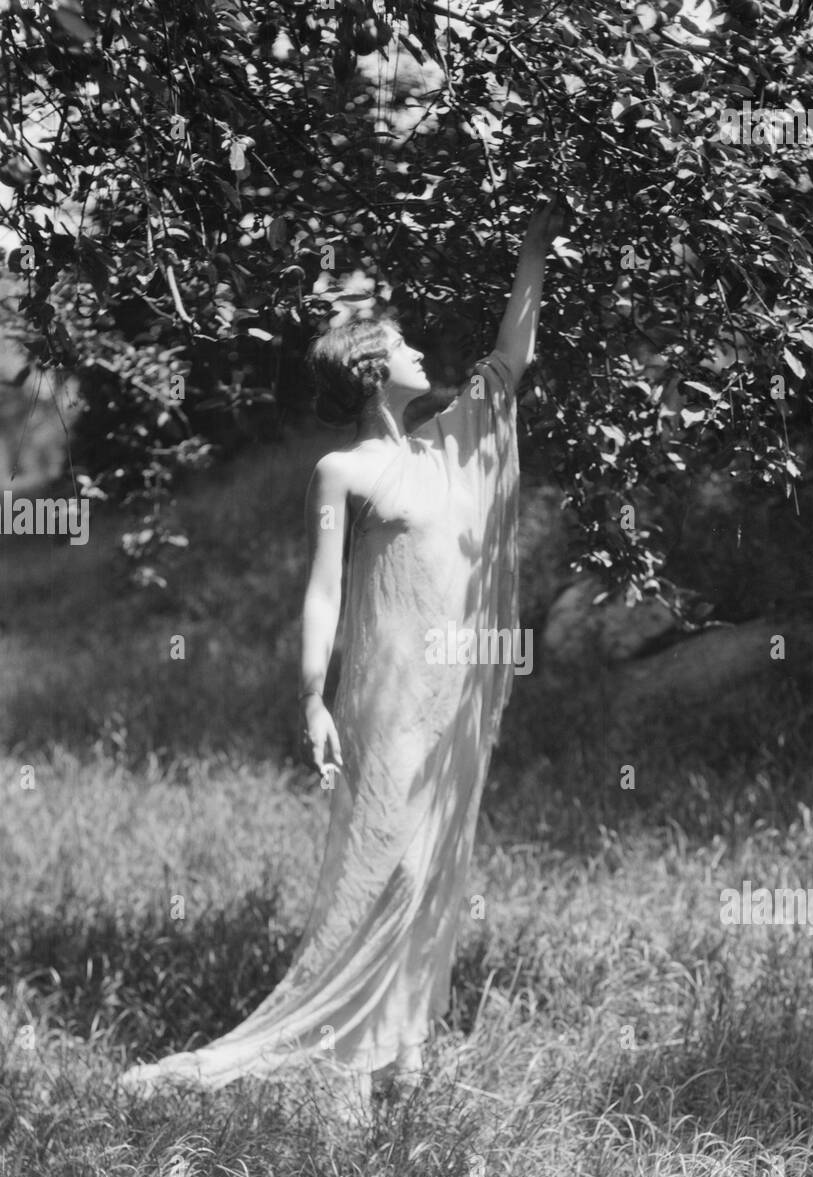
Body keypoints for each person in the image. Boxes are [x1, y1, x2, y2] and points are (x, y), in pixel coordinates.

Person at [119, 196, 567, 1113]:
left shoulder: (453, 442)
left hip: (454, 696)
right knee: (386, 864)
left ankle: (402, 1061)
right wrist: (311, 699)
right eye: (400, 347)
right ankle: (341, 1071)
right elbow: (322, 589)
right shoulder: (345, 470)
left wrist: (533, 247)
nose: (416, 353)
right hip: (387, 695)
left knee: (433, 863)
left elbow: (511, 357)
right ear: (372, 372)